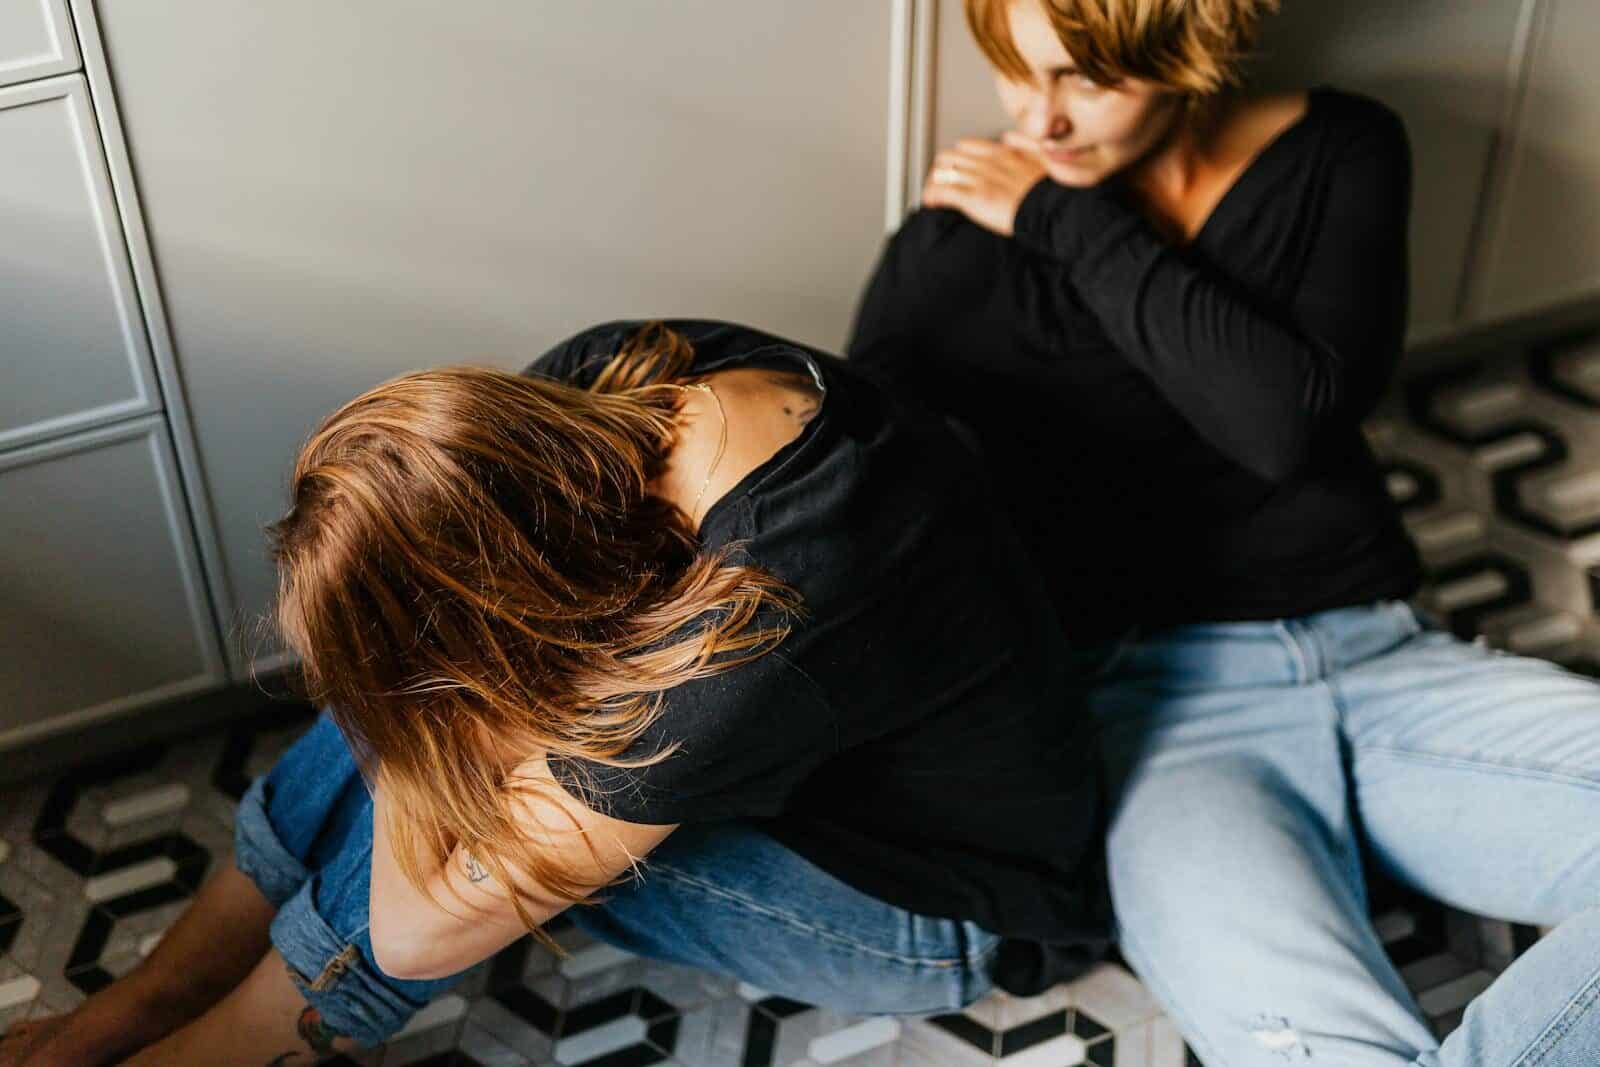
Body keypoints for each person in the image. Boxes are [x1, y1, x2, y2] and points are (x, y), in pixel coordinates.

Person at [0, 319, 1109, 1066]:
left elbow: (418, 927)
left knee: (453, 795)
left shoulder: (744, 631)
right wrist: (409, 701)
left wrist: (430, 730)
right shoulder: (600, 389)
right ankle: (139, 1004)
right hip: (823, 760)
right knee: (400, 688)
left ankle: (215, 1052)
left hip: (943, 908)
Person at [846, 0, 1600, 1063]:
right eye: (1019, 72)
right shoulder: (952, 241)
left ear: (1188, 49)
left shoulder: (1338, 149)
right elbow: (873, 507)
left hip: (1380, 656)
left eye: (1084, 81)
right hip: (1161, 723)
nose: (1039, 120)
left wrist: (1068, 222)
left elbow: (1277, 421)